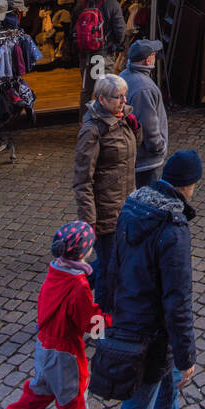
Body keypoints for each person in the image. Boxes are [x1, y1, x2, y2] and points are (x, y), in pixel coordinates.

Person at [85, 150, 203, 409]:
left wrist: (108, 310)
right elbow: (177, 301)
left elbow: (112, 264)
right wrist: (186, 357)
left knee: (168, 394)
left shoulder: (133, 206)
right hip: (149, 337)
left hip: (130, 319)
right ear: (189, 185)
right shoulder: (173, 229)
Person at [0, 222, 107, 409]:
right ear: (84, 251)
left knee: (35, 395)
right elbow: (89, 323)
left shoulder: (55, 271)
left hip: (44, 346)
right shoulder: (78, 285)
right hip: (65, 353)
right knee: (74, 397)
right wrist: (107, 322)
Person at [73, 75, 141, 307]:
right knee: (109, 271)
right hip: (106, 212)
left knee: (117, 264)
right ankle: (102, 321)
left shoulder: (122, 118)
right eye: (117, 97)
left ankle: (73, 290)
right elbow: (82, 180)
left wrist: (135, 128)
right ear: (101, 99)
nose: (123, 101)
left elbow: (131, 153)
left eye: (125, 95)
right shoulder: (92, 130)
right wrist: (89, 220)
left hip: (127, 205)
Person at [120, 39, 168, 189]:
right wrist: (159, 147)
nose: (155, 56)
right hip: (145, 161)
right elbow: (148, 126)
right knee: (146, 203)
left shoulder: (124, 75)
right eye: (154, 54)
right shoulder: (144, 88)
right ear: (148, 61)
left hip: (134, 157)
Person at [75, 0, 126, 119]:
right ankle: (105, 122)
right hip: (103, 54)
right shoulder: (112, 4)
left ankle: (85, 122)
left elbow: (73, 31)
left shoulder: (81, 5)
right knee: (106, 89)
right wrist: (117, 44)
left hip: (85, 55)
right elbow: (120, 31)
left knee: (87, 90)